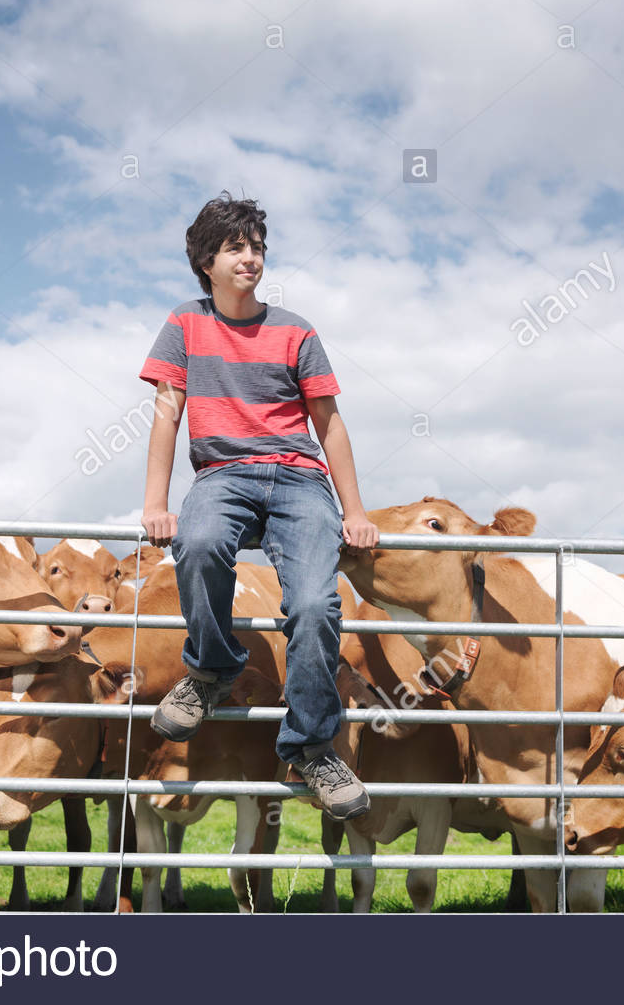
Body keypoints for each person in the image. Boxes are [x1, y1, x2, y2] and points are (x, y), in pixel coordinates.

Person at [139, 191, 379, 821]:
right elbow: (167, 415)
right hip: (222, 474)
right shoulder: (184, 324)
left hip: (300, 479)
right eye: (234, 248)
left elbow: (329, 424)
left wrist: (355, 511)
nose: (250, 258)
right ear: (206, 261)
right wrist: (156, 503)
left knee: (312, 604)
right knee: (198, 543)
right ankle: (211, 670)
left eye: (256, 247)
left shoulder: (296, 329)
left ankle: (309, 746)